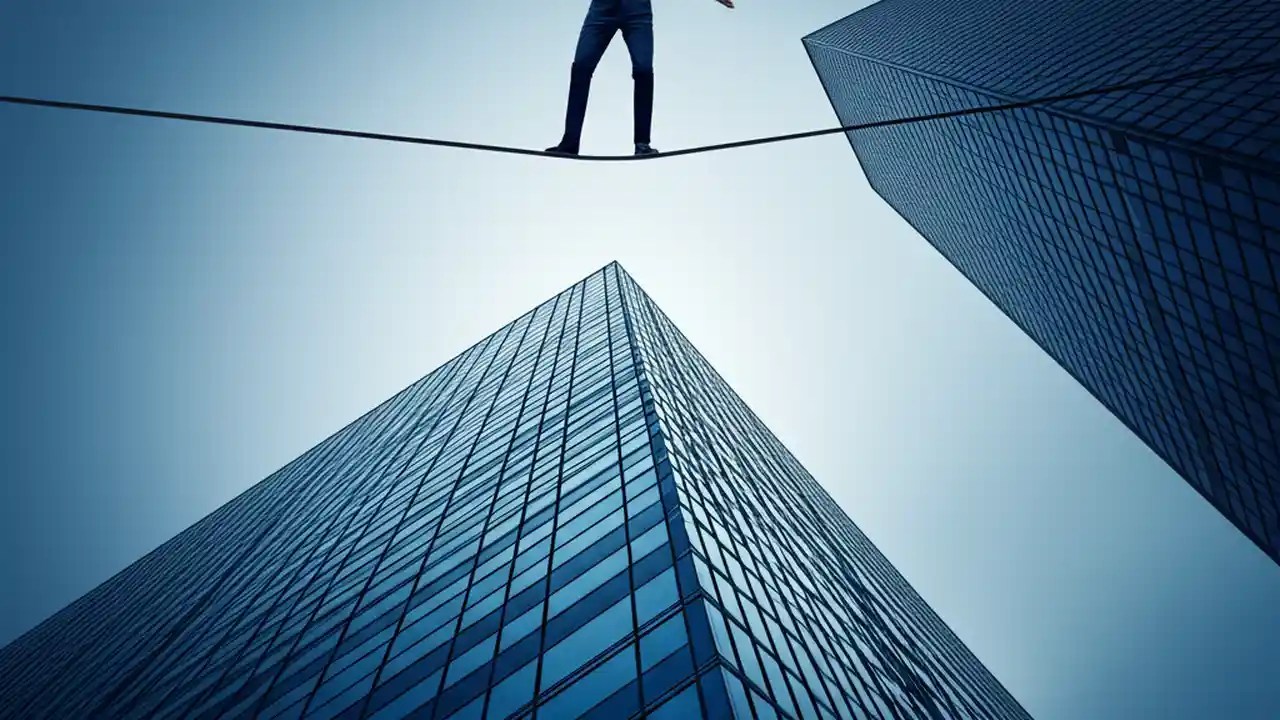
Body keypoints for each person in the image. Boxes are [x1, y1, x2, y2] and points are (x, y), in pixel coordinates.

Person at [546, 0, 735, 157]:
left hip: (637, 11)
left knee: (643, 70)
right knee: (581, 68)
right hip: (602, 10)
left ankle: (642, 144)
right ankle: (570, 142)